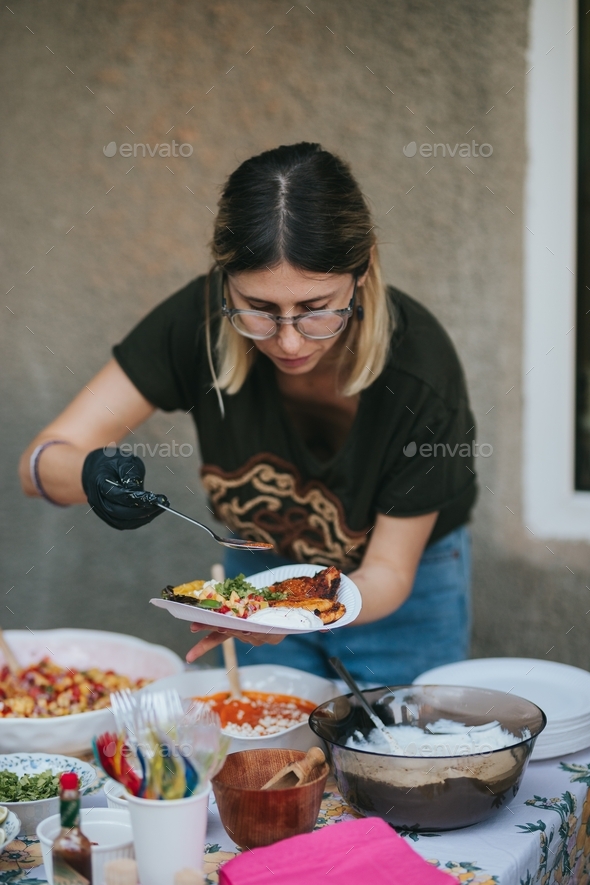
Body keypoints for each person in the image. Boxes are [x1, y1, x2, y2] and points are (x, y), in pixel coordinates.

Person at [19, 142, 476, 686]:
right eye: (258, 309)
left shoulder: (420, 370)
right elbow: (37, 463)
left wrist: (294, 609)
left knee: (395, 756)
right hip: (260, 570)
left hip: (395, 597)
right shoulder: (198, 319)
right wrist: (90, 475)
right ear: (224, 278)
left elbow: (388, 572)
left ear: (364, 267)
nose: (287, 342)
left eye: (314, 308)